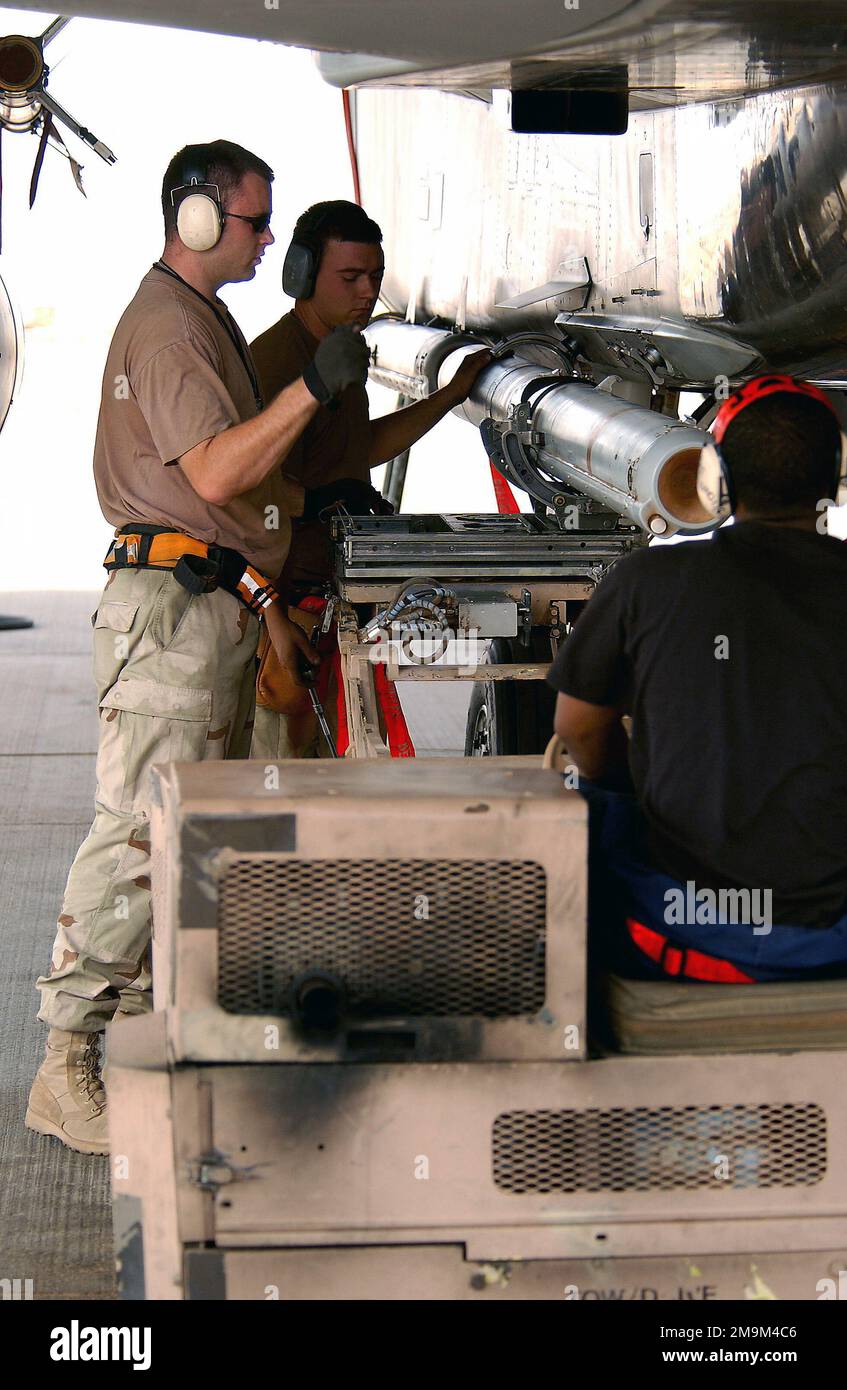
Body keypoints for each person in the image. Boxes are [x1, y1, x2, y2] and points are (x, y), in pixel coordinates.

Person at [25, 141, 368, 1155]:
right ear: (201, 220)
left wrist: (264, 600)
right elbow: (217, 476)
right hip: (170, 620)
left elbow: (222, 509)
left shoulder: (201, 317)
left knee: (200, 838)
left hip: (207, 603)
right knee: (136, 837)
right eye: (257, 223)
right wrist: (310, 389)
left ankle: (158, 1042)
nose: (271, 242)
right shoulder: (172, 329)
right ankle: (63, 1067)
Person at [548, 375, 847, 984]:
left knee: (582, 793)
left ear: (716, 481)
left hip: (684, 929)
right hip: (834, 934)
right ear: (832, 477)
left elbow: (576, 730)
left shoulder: (645, 580)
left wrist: (628, 786)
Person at [248, 198, 491, 758]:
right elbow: (246, 487)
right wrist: (316, 502)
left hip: (327, 605)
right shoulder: (279, 362)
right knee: (278, 781)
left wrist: (452, 394)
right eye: (350, 277)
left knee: (324, 784)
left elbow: (362, 448)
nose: (367, 292)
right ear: (302, 275)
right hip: (283, 612)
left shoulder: (338, 354)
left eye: (375, 277)